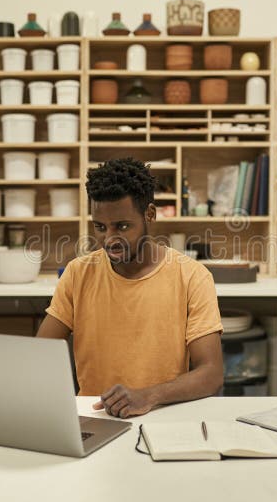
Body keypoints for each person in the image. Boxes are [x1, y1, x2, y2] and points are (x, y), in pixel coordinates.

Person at [37, 158, 224, 419]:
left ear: (150, 214)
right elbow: (39, 355)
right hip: (94, 418)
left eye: (122, 226)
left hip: (162, 415)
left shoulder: (192, 276)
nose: (109, 238)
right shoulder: (78, 273)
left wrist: (147, 395)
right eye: (100, 227)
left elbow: (211, 373)